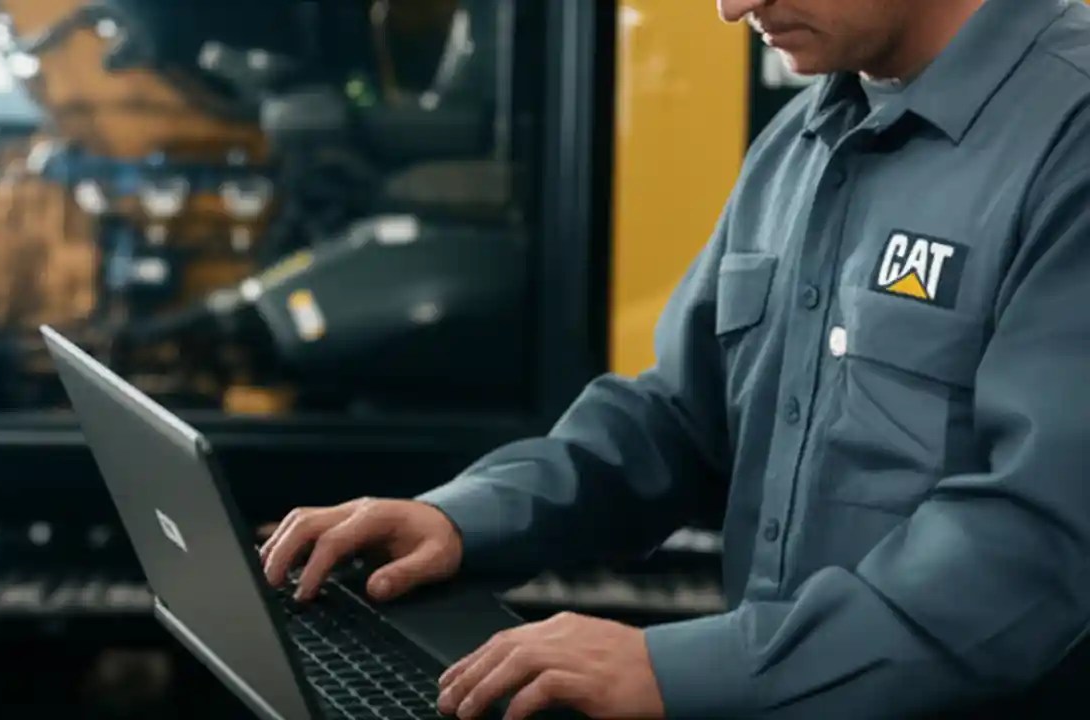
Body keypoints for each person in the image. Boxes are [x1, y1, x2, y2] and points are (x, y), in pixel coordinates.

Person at [260, 0, 1090, 717]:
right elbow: (678, 417)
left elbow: (1029, 549)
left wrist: (678, 670)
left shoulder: (1070, 140)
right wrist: (463, 518)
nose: (731, 9)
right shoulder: (804, 142)